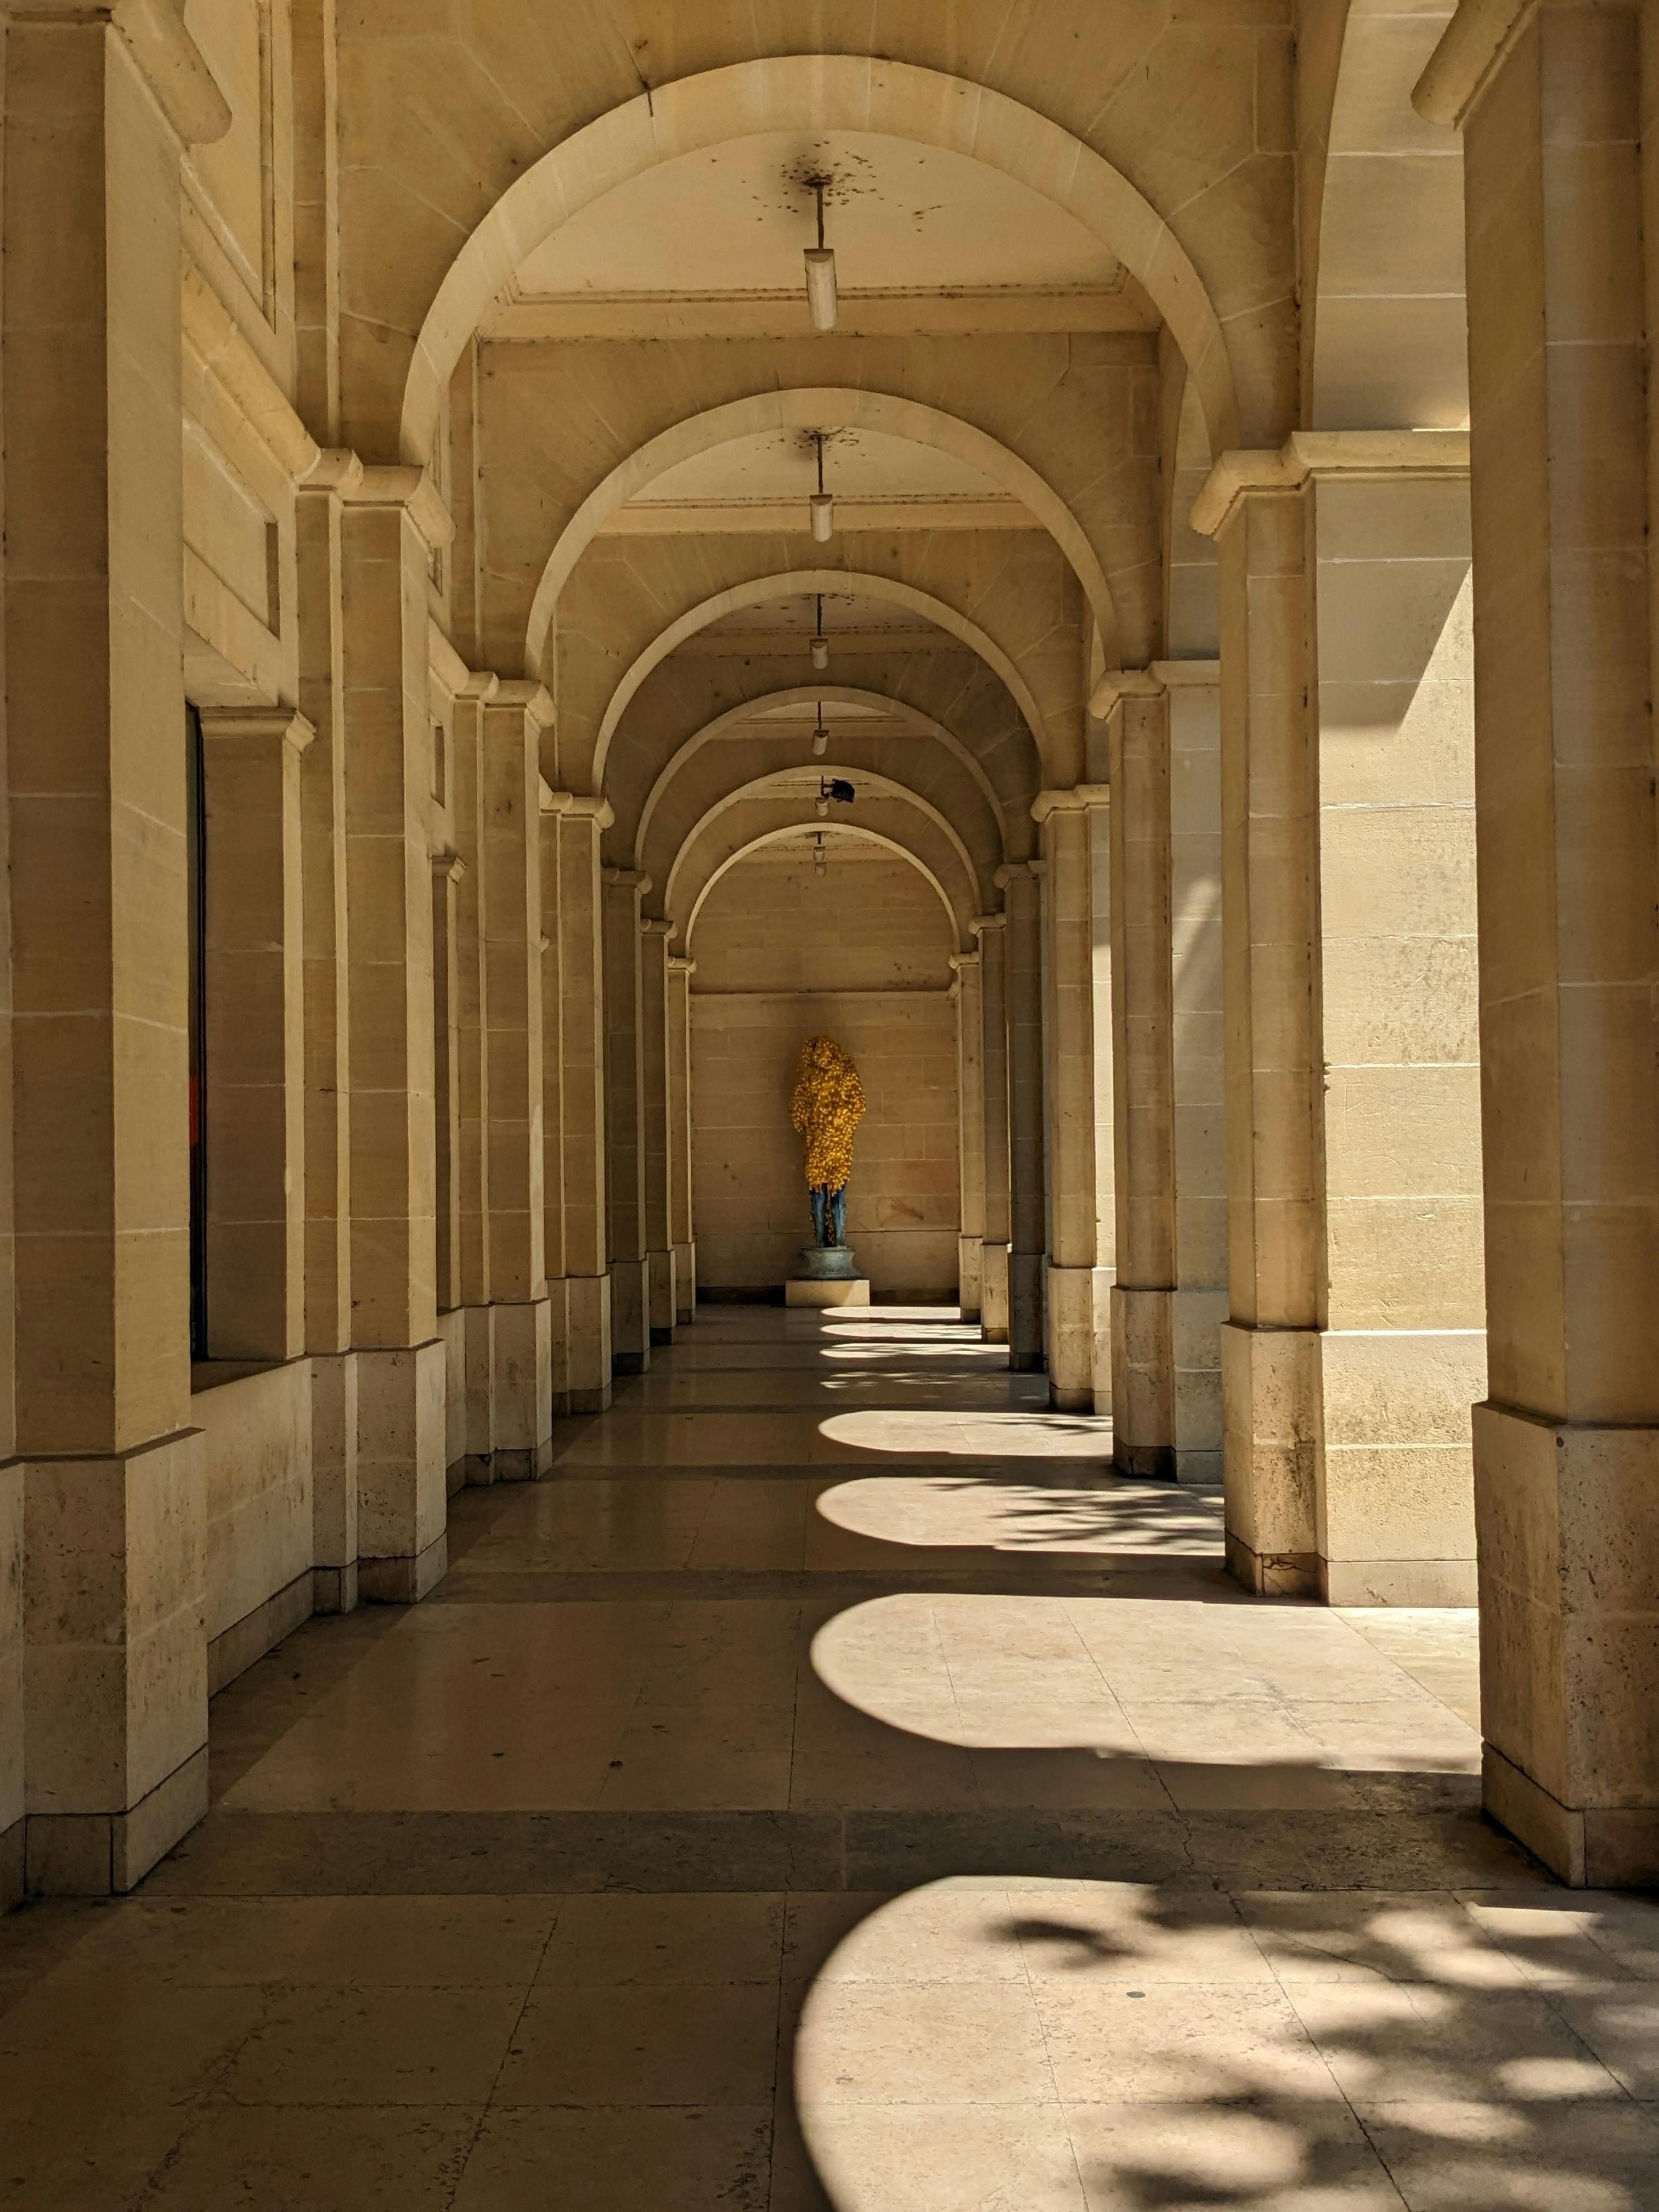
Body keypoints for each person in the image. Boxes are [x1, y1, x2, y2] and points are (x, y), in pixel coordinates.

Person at [789, 1034, 865, 1247]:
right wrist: (838, 1126)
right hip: (835, 1144)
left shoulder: (808, 1077)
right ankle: (834, 1241)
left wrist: (819, 1126)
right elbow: (858, 1107)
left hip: (822, 1145)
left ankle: (826, 1241)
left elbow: (798, 1116)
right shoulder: (844, 1074)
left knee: (823, 1196)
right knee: (832, 1196)